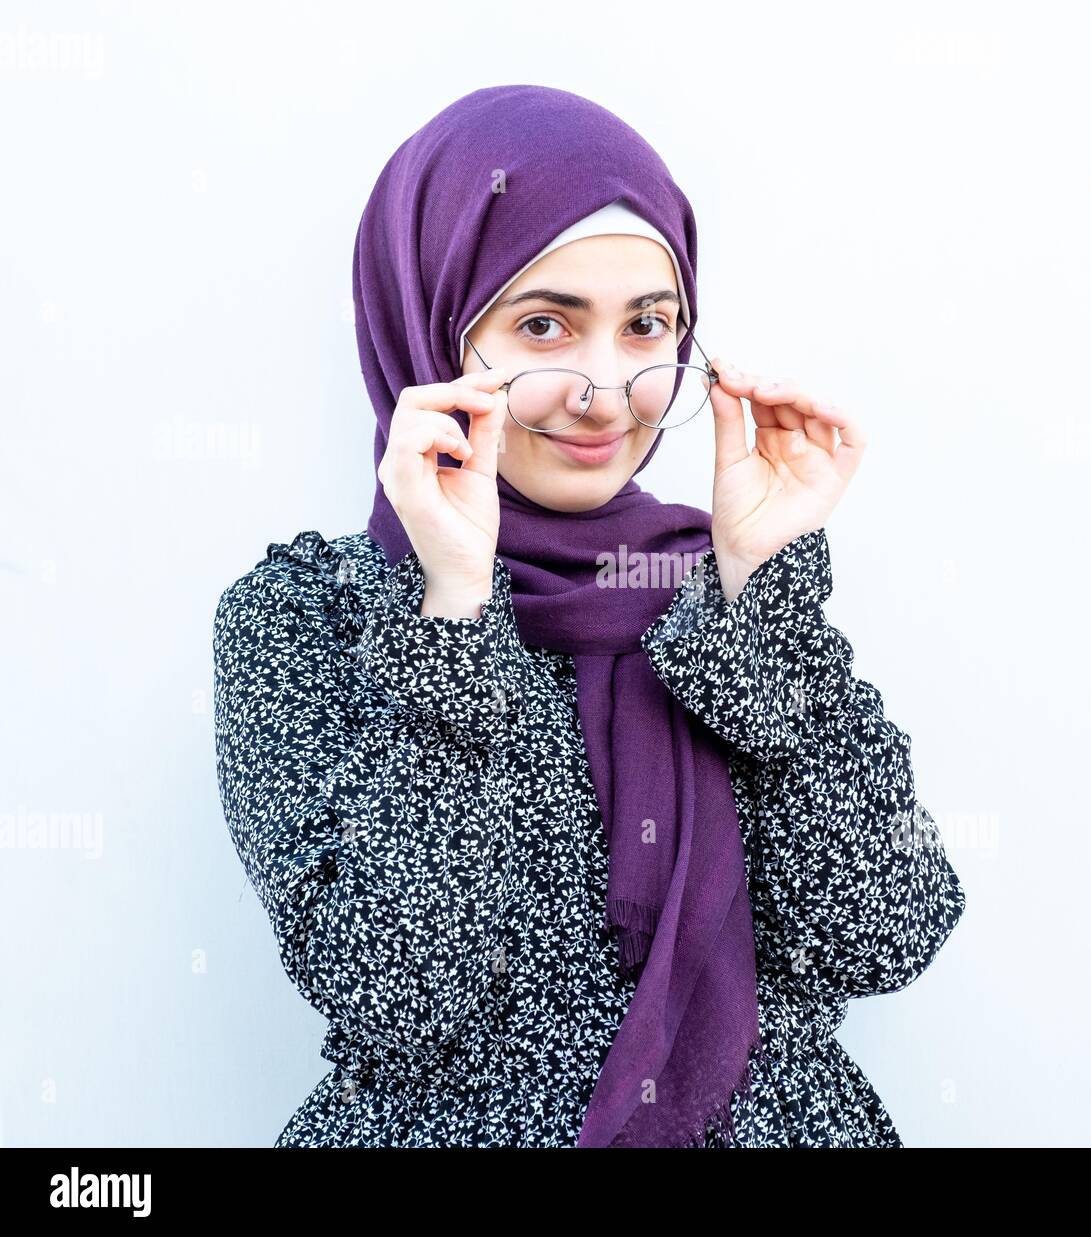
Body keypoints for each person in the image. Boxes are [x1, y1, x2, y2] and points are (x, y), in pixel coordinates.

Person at [212, 84, 966, 1149]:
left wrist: (753, 593)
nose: (606, 391)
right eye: (543, 324)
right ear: (426, 325)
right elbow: (395, 990)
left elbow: (883, 932)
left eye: (646, 325)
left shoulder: (724, 595)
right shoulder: (311, 621)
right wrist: (455, 608)